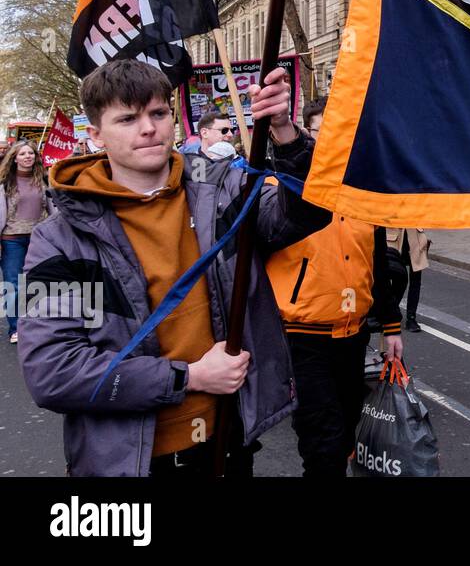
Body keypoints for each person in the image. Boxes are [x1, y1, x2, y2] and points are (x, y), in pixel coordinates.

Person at [19, 59, 330, 476]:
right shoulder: (58, 239)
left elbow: (305, 215)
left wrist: (286, 135)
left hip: (228, 444)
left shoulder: (222, 192)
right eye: (127, 118)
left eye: (158, 113)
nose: (148, 128)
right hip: (133, 462)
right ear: (95, 135)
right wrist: (189, 377)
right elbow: (53, 372)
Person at [265, 95, 403, 477]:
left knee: (344, 435)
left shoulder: (361, 193)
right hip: (301, 337)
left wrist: (390, 326)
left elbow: (377, 262)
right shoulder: (281, 188)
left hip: (352, 335)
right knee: (322, 441)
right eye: (318, 132)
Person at [1, 140, 51, 343]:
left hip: (40, 238)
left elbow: (52, 207)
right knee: (14, 284)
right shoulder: (5, 183)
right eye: (22, 154)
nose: (27, 157)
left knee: (40, 283)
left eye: (31, 153)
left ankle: (39, 325)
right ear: (14, 159)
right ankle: (15, 328)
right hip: (12, 240)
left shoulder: (43, 180)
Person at [389, 227, 431, 330]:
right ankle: (392, 311)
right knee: (398, 280)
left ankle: (411, 318)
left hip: (416, 241)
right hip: (395, 241)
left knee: (416, 282)